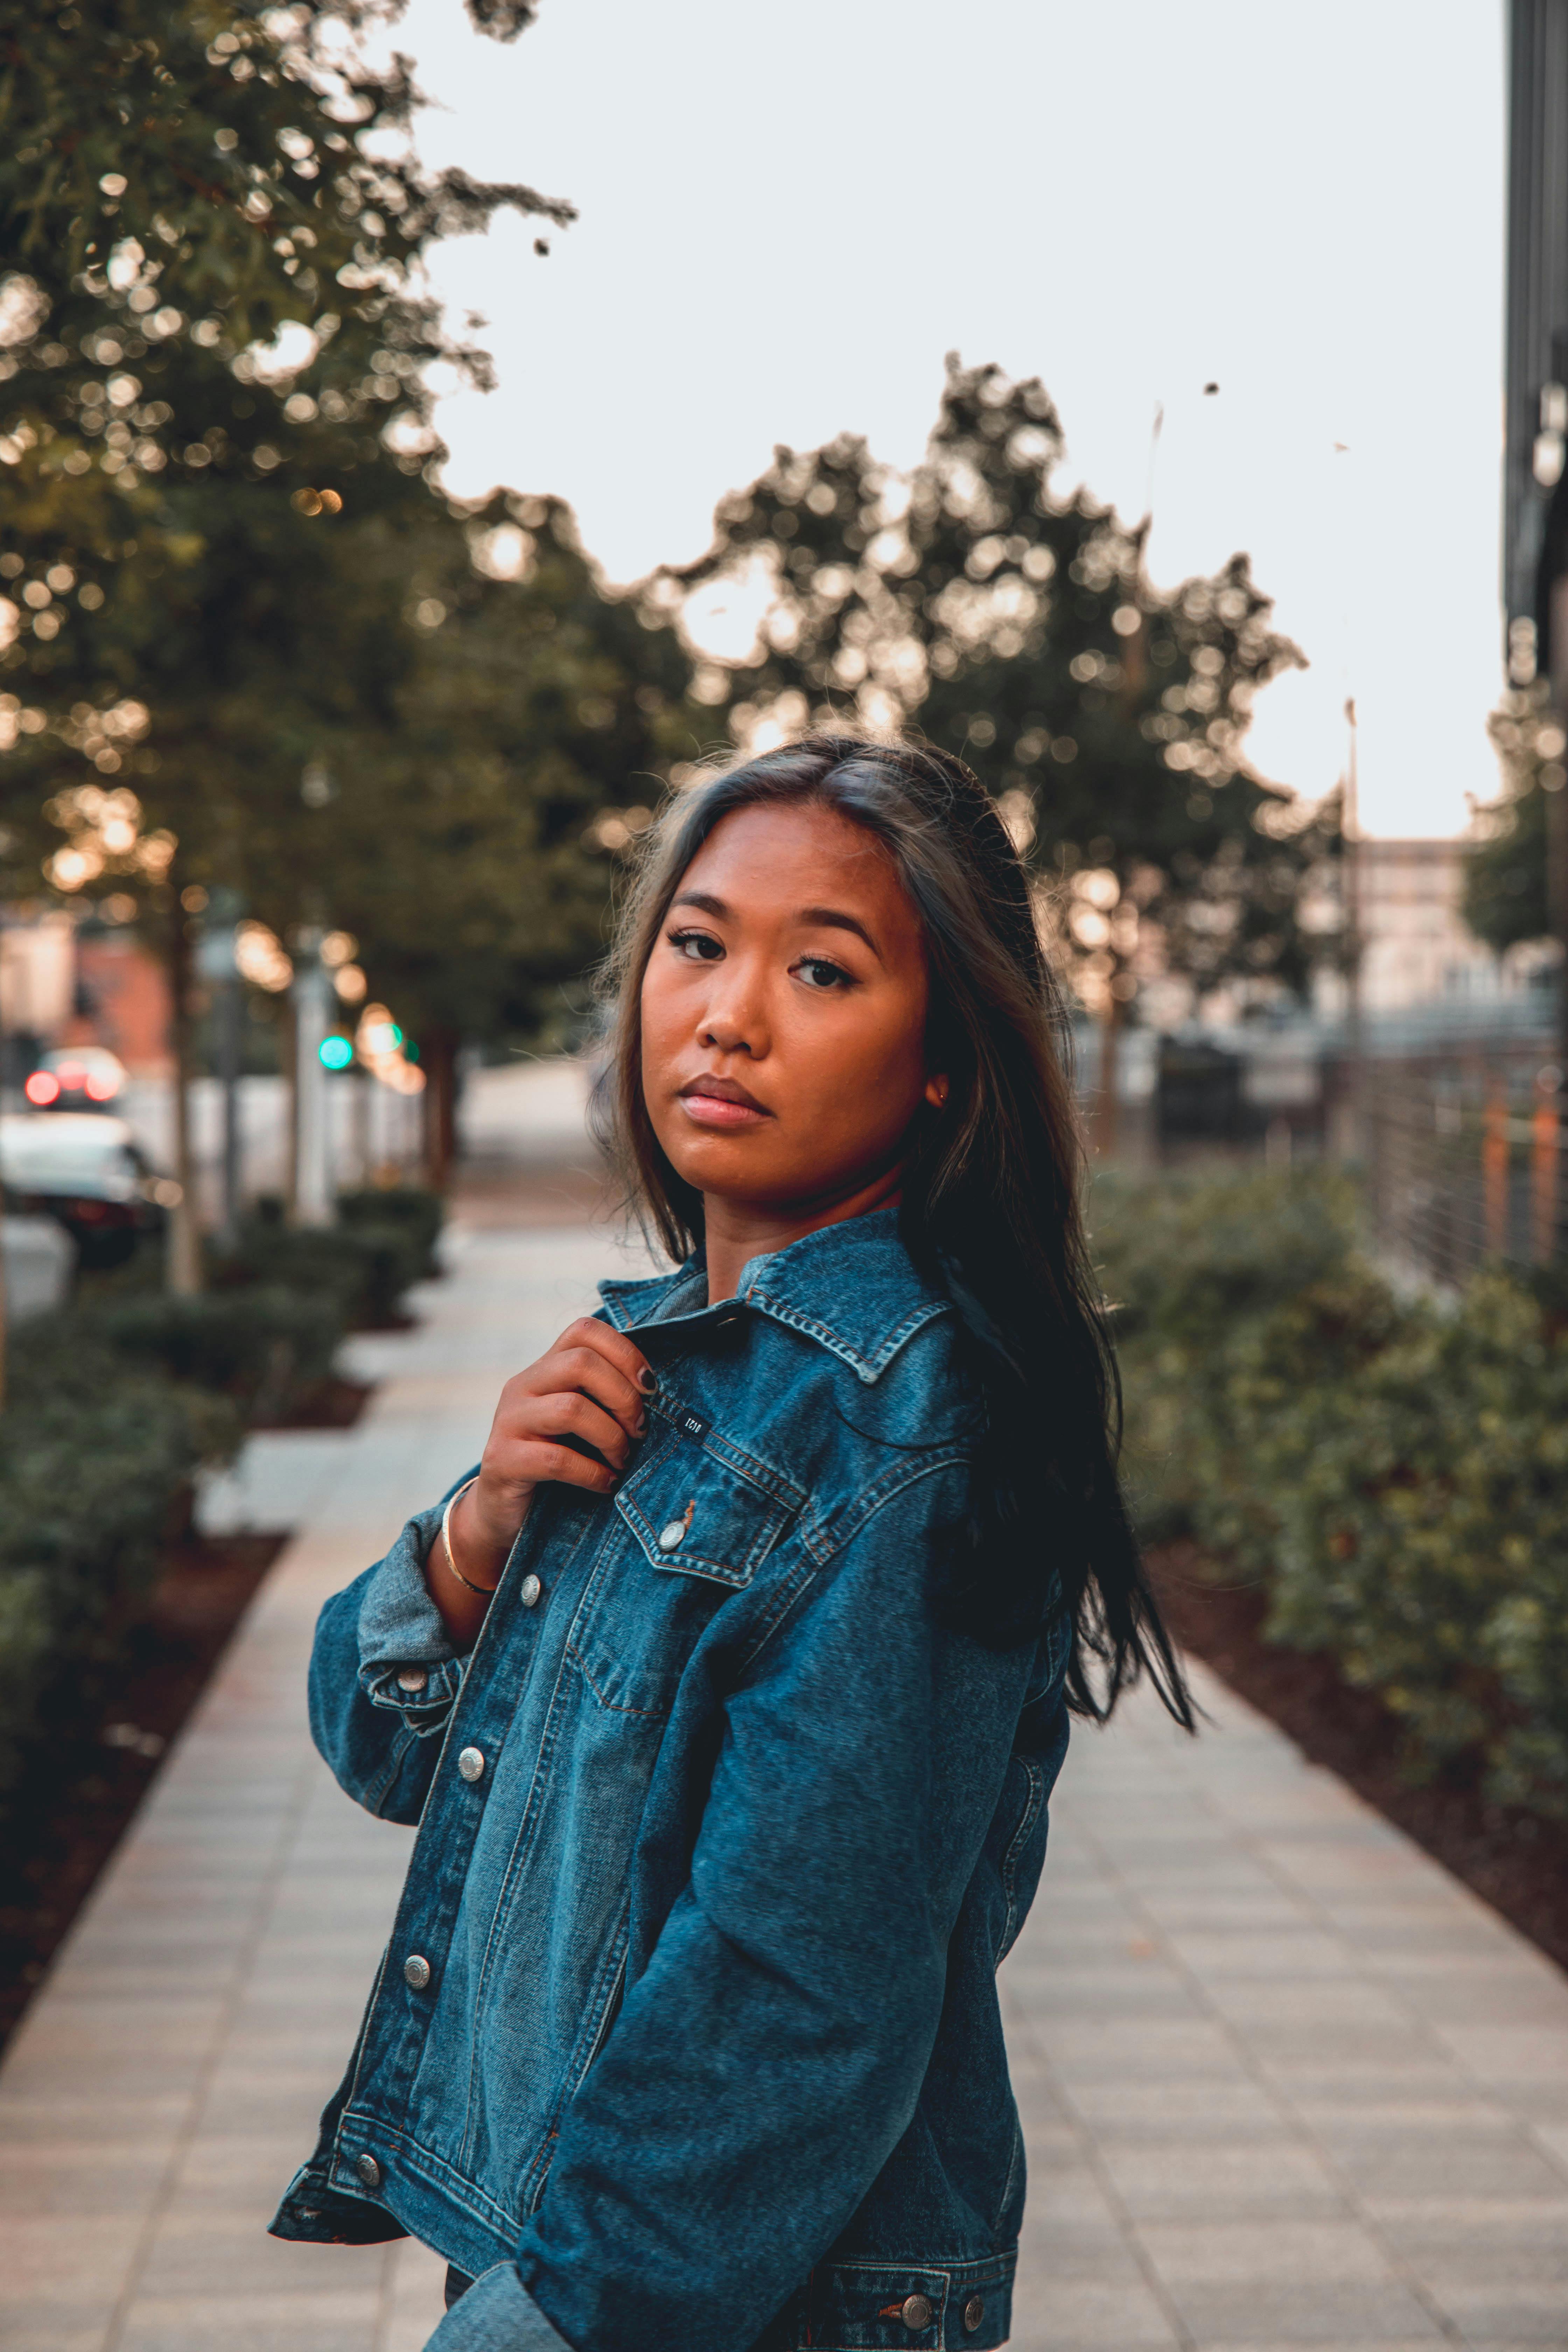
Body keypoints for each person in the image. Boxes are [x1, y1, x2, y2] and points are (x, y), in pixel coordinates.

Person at [272, 732, 1192, 2351]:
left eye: (820, 971)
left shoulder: (916, 1431)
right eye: (697, 944)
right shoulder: (657, 1370)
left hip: (725, 2301)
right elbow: (381, 1743)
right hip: (574, 2255)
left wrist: (548, 2323)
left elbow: (796, 2003)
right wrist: (479, 1533)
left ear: (943, 1060)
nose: (728, 1014)